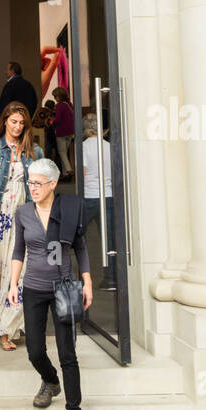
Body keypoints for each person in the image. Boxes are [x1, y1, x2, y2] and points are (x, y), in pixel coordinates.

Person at [9, 157, 93, 410]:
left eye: (37, 183)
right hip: (33, 288)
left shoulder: (67, 211)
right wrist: (12, 285)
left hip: (63, 288)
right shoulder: (23, 213)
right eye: (29, 182)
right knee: (34, 350)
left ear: (53, 184)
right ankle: (50, 380)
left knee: (67, 354)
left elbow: (79, 247)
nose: (32, 187)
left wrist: (88, 282)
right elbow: (18, 250)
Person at [0, 103, 44, 351]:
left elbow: (44, 186)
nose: (17, 127)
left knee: (18, 273)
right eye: (13, 121)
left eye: (21, 123)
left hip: (22, 218)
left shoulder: (34, 151)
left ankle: (9, 329)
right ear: (4, 121)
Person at [82, 112, 116, 290]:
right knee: (109, 239)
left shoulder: (84, 147)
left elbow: (84, 174)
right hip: (108, 195)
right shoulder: (109, 146)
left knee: (79, 237)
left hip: (89, 196)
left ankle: (82, 276)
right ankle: (111, 278)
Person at [52, 86, 75, 182]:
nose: (54, 98)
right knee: (65, 152)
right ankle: (65, 174)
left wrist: (51, 121)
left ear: (59, 96)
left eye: (55, 96)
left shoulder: (59, 106)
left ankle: (69, 170)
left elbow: (58, 120)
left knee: (62, 153)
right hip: (70, 132)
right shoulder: (69, 104)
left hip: (61, 132)